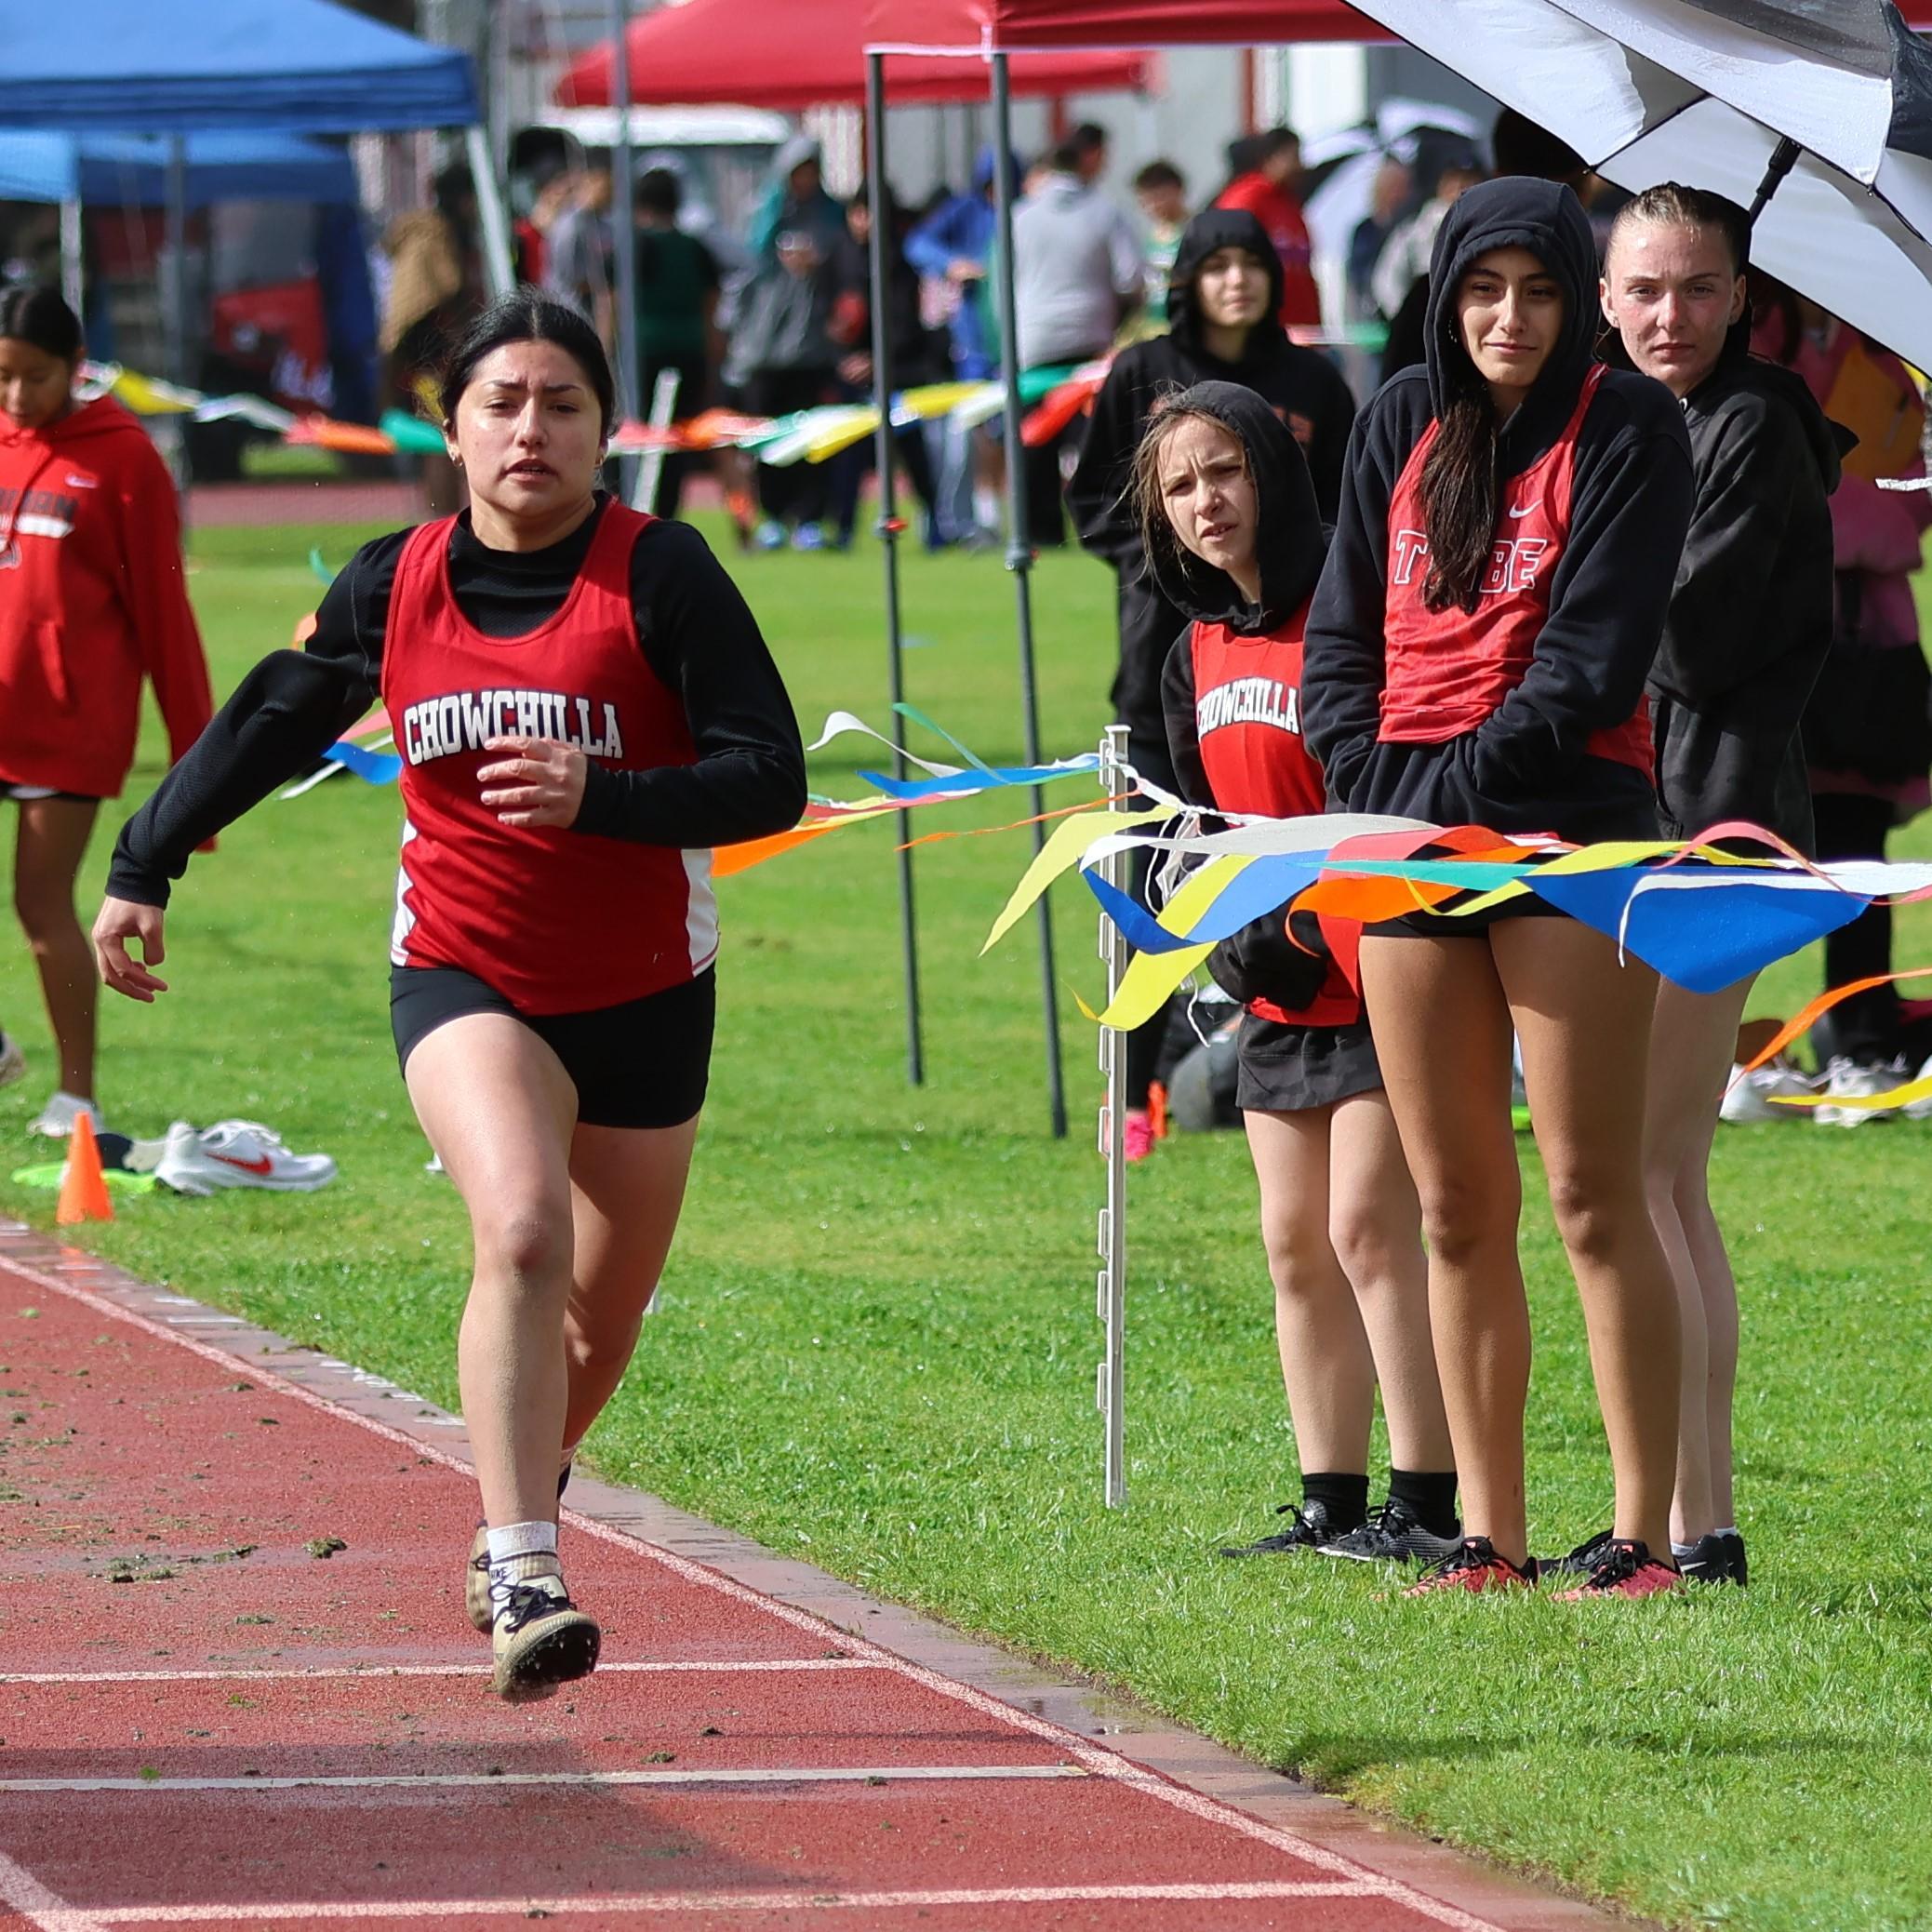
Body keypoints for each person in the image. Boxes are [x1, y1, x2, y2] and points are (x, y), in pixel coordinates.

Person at [92, 292, 807, 1701]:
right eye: (502, 404)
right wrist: (145, 858)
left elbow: (768, 775)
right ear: (452, 427)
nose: (530, 429)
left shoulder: (662, 574)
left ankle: (513, 1493)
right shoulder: (394, 578)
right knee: (524, 1230)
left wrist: (602, 794)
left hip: (651, 992)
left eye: (561, 405)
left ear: (605, 432)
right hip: (467, 972)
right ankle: (527, 1562)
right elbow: (270, 717)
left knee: (599, 1321)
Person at [1302, 178, 1697, 1599]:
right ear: (1445, 293)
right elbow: (1337, 637)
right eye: (1484, 289)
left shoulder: (1631, 427)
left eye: (1538, 291)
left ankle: (1641, 1536)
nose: (1509, 318)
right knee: (1456, 1204)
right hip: (1407, 843)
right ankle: (1491, 1535)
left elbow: (1589, 664)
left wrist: (1435, 795)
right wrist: (1369, 784)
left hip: (1565, 841)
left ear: (1577, 299)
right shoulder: (1403, 416)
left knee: (1593, 1195)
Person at [1136, 381, 1458, 1563]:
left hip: (1382, 965)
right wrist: (1219, 922)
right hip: (1272, 982)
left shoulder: (1354, 605)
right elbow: (1208, 825)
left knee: (1372, 1228)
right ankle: (1327, 1497)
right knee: (1294, 1240)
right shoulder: (1194, 649)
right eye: (1180, 486)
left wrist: (1322, 924)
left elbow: (1384, 793)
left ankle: (1425, 1507)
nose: (1206, 500)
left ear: (1272, 466)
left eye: (1224, 470)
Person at [1594, 183, 1839, 1589]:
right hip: (1645, 832)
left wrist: (1570, 592)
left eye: (1695, 287)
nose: (1667, 314)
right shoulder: (1636, 426)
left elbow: (1673, 640)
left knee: (1645, 1175)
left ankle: (1696, 1520)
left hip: (1709, 841)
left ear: (1741, 295)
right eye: (1642, 287)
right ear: (1605, 295)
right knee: (1662, 1179)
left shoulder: (1751, 427)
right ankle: (1700, 1518)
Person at [1067, 207, 1357, 1157]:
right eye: (1217, 265)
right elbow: (1089, 505)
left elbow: (1356, 497)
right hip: (1173, 669)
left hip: (1300, 660)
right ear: (1187, 276)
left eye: (1251, 264)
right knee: (1160, 880)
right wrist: (1181, 569)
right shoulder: (1141, 372)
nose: (1236, 281)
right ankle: (1137, 1092)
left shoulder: (1309, 381)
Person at [0, 286, 214, 1139]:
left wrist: (198, 786)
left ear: (75, 368)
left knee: (39, 904)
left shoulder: (124, 461)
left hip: (68, 725)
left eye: (36, 377)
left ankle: (76, 1095)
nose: (18, 397)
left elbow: (168, 623)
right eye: (3, 378)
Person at [1753, 287, 1932, 1107]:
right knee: (1734, 849)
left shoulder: (1882, 363)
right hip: (1768, 644)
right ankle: (1722, 1048)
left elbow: (1909, 505)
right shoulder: (1756, 345)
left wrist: (1827, 517)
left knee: (1858, 855)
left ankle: (1864, 1039)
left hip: (1867, 649)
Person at [1012, 143, 1143, 547]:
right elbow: (1131, 277)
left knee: (1034, 439)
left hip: (1033, 342)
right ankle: (1099, 523)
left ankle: (1040, 530)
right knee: (1093, 441)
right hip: (1092, 340)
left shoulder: (1020, 216)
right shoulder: (1104, 211)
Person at [904, 151, 1006, 547]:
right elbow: (918, 244)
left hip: (1016, 346)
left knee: (1007, 437)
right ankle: (965, 520)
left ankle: (992, 513)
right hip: (973, 348)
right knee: (966, 437)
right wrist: (954, 264)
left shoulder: (1021, 214)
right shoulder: (966, 211)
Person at [725, 231, 841, 550]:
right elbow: (738, 325)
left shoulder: (822, 283)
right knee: (768, 448)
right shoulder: (758, 280)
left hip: (809, 371)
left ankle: (809, 520)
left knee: (811, 448)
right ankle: (773, 518)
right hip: (765, 372)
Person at [631, 166, 721, 521]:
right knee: (680, 439)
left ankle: (643, 510)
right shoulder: (695, 247)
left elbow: (615, 302)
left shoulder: (637, 247)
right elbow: (711, 305)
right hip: (691, 351)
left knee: (641, 435)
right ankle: (667, 512)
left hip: (647, 351)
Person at [1216, 128, 1321, 332]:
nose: (1301, 166)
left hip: (1301, 331)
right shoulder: (1245, 201)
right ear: (1271, 158)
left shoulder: (1290, 205)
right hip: (1263, 334)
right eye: (1294, 156)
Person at [750, 136, 846, 263]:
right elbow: (756, 253)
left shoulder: (832, 211)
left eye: (810, 174)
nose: (804, 181)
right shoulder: (773, 209)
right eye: (799, 175)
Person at [1131, 161, 1190, 322]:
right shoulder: (1149, 237)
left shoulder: (1194, 231)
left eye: (1156, 198)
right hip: (1154, 321)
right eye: (1145, 202)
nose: (1151, 207)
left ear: (1177, 190)